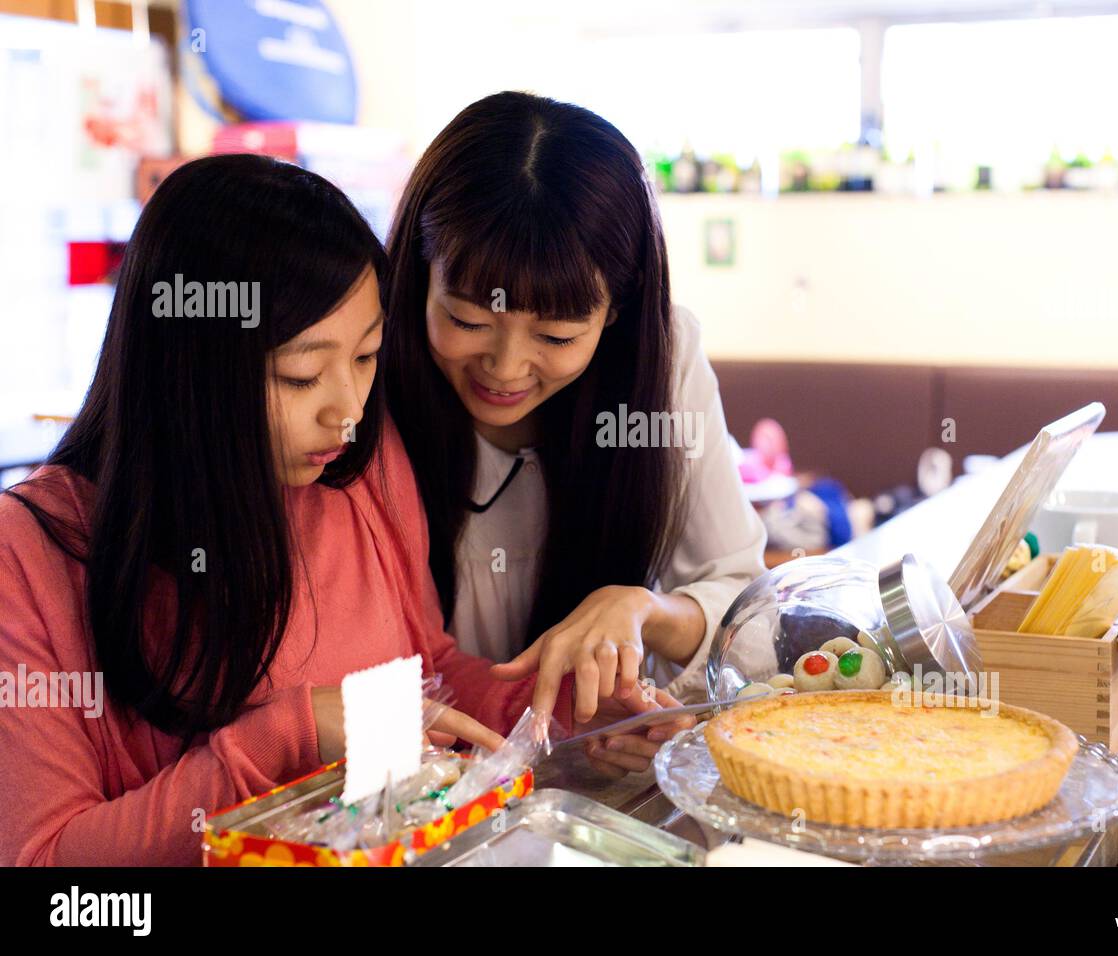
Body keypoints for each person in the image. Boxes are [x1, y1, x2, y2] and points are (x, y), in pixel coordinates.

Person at [0, 155, 681, 865]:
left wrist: (562, 715)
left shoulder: (359, 467)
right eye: (300, 375)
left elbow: (431, 673)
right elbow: (47, 867)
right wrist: (292, 733)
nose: (349, 412)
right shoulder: (29, 554)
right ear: (187, 371)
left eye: (366, 358)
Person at [383, 93, 768, 762]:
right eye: (469, 321)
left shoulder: (660, 363)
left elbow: (752, 621)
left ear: (616, 309)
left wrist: (646, 612)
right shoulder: (364, 373)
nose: (504, 368)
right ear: (419, 279)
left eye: (555, 334)